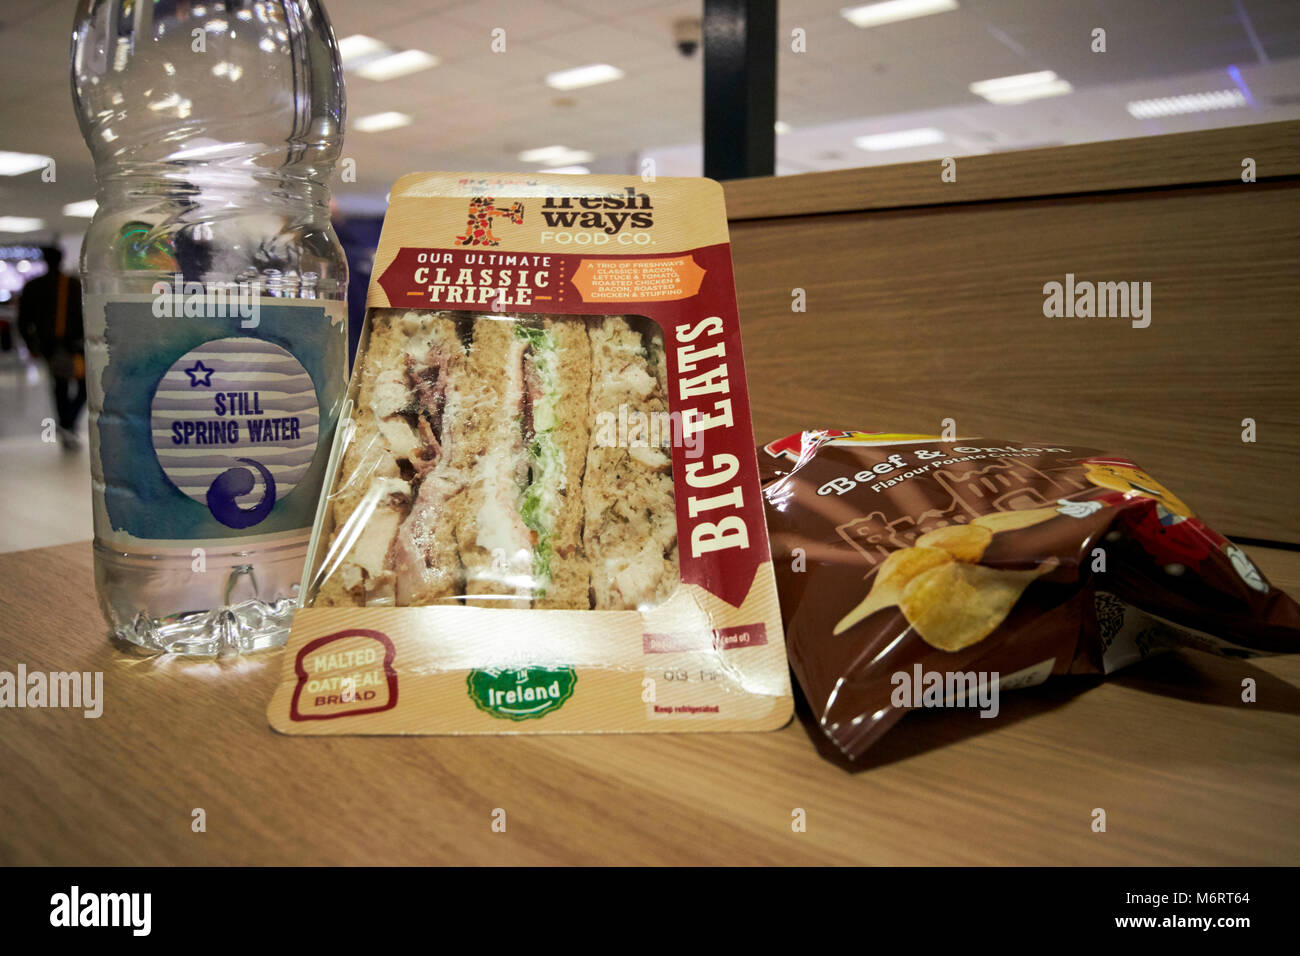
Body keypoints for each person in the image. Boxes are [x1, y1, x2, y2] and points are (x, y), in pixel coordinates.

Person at [18, 246, 85, 450]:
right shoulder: (72, 284)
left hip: (49, 345)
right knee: (83, 386)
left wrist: (32, 344)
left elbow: (23, 320)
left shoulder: (33, 286)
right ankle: (68, 424)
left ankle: (66, 424)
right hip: (73, 344)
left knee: (60, 386)